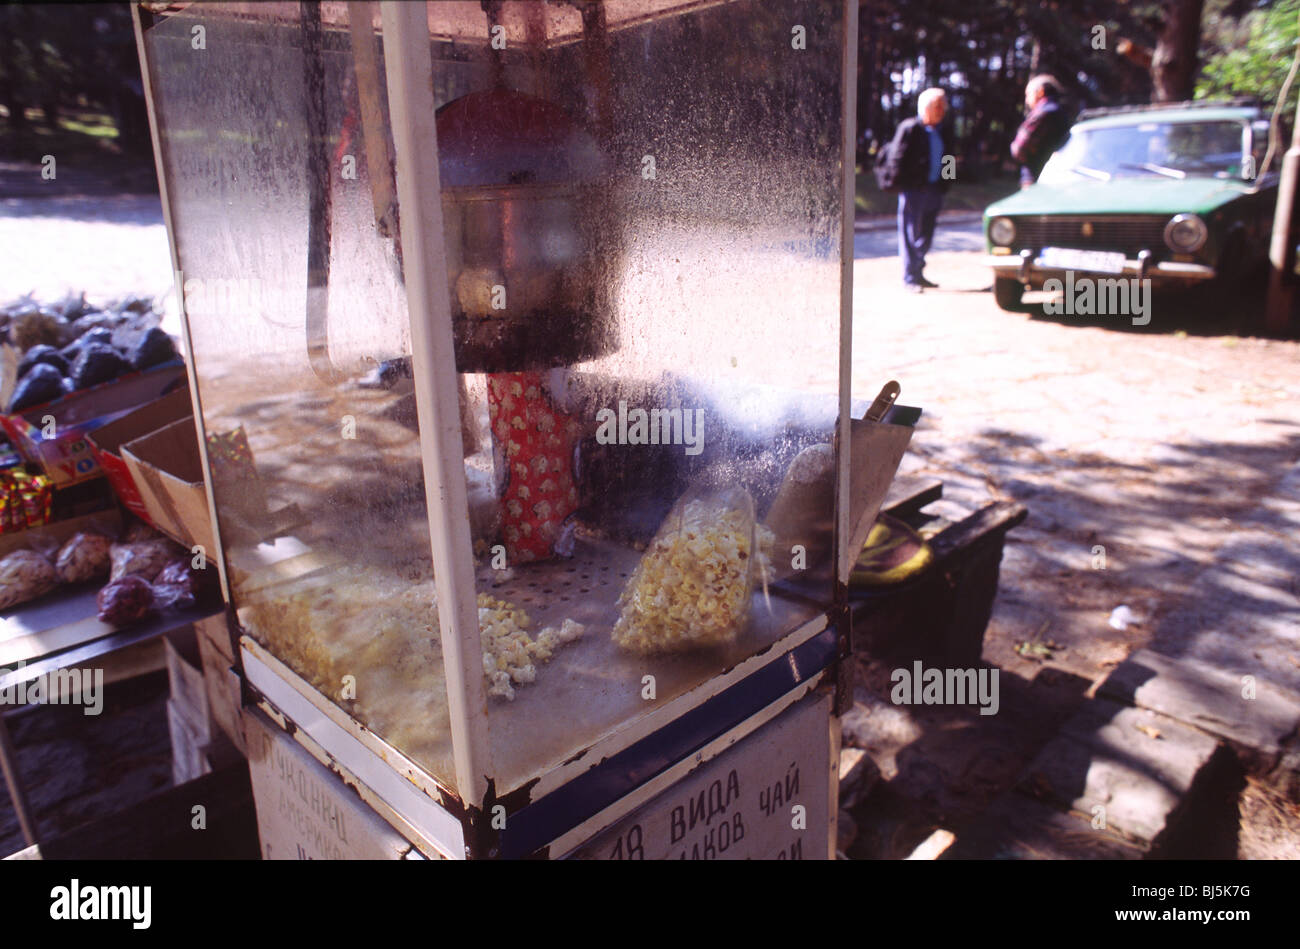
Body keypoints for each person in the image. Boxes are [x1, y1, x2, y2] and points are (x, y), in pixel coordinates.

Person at [885, 88, 950, 293]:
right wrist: (900, 183)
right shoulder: (910, 127)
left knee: (926, 235)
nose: (942, 110)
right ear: (926, 108)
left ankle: (919, 272)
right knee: (910, 233)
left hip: (935, 190)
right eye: (938, 106)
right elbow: (897, 157)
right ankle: (909, 277)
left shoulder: (943, 130)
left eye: (944, 106)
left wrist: (947, 183)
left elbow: (950, 158)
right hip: (913, 190)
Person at [1010, 75, 1072, 187]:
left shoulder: (1044, 113)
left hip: (1036, 178)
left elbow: (1019, 149)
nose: (1027, 100)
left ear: (1041, 92)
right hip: (1056, 177)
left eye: (1028, 94)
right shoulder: (1060, 112)